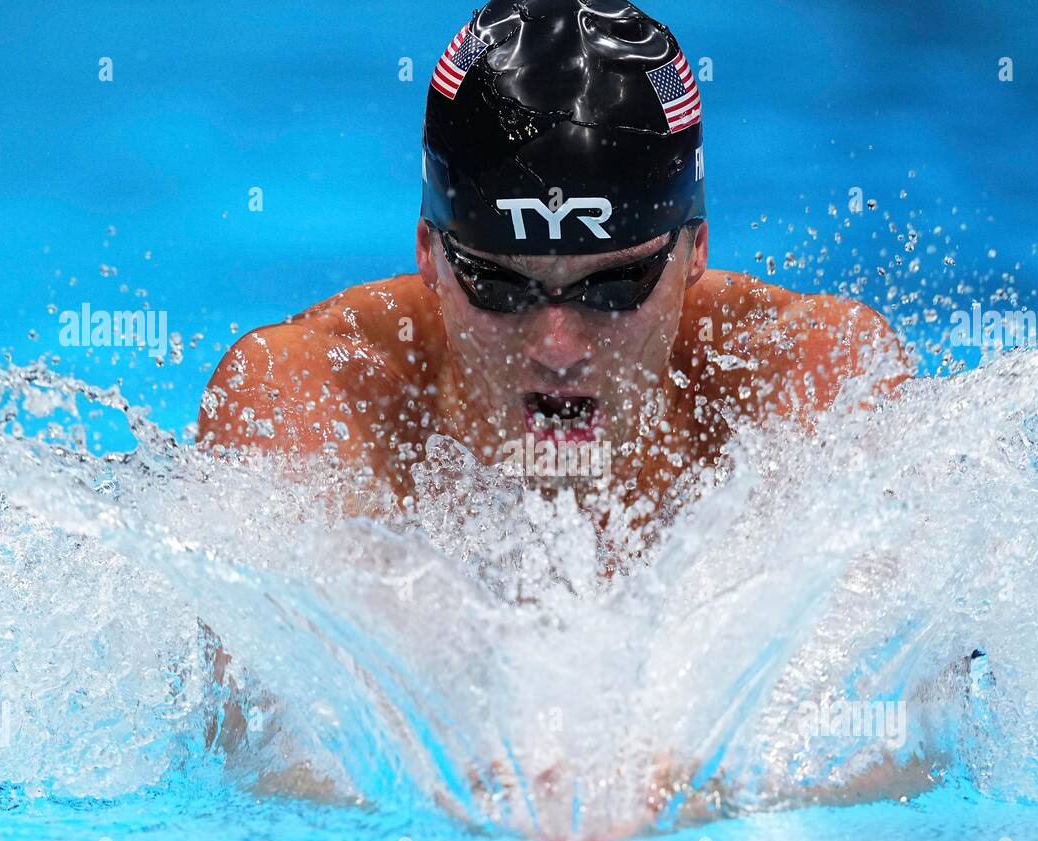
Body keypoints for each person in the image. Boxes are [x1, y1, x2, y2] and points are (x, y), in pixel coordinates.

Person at [198, 0, 908, 525]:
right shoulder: (317, 395)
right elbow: (292, 723)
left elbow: (884, 707)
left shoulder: (804, 371)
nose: (558, 347)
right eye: (500, 285)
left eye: (615, 286)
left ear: (695, 251)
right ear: (429, 256)